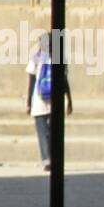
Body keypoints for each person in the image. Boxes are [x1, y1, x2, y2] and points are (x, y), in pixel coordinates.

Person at [25, 34, 73, 171]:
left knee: (42, 131)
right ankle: (53, 158)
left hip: (39, 99)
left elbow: (32, 81)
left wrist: (28, 101)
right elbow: (65, 81)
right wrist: (69, 100)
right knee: (53, 132)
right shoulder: (60, 59)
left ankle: (47, 159)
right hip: (55, 99)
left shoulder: (36, 58)